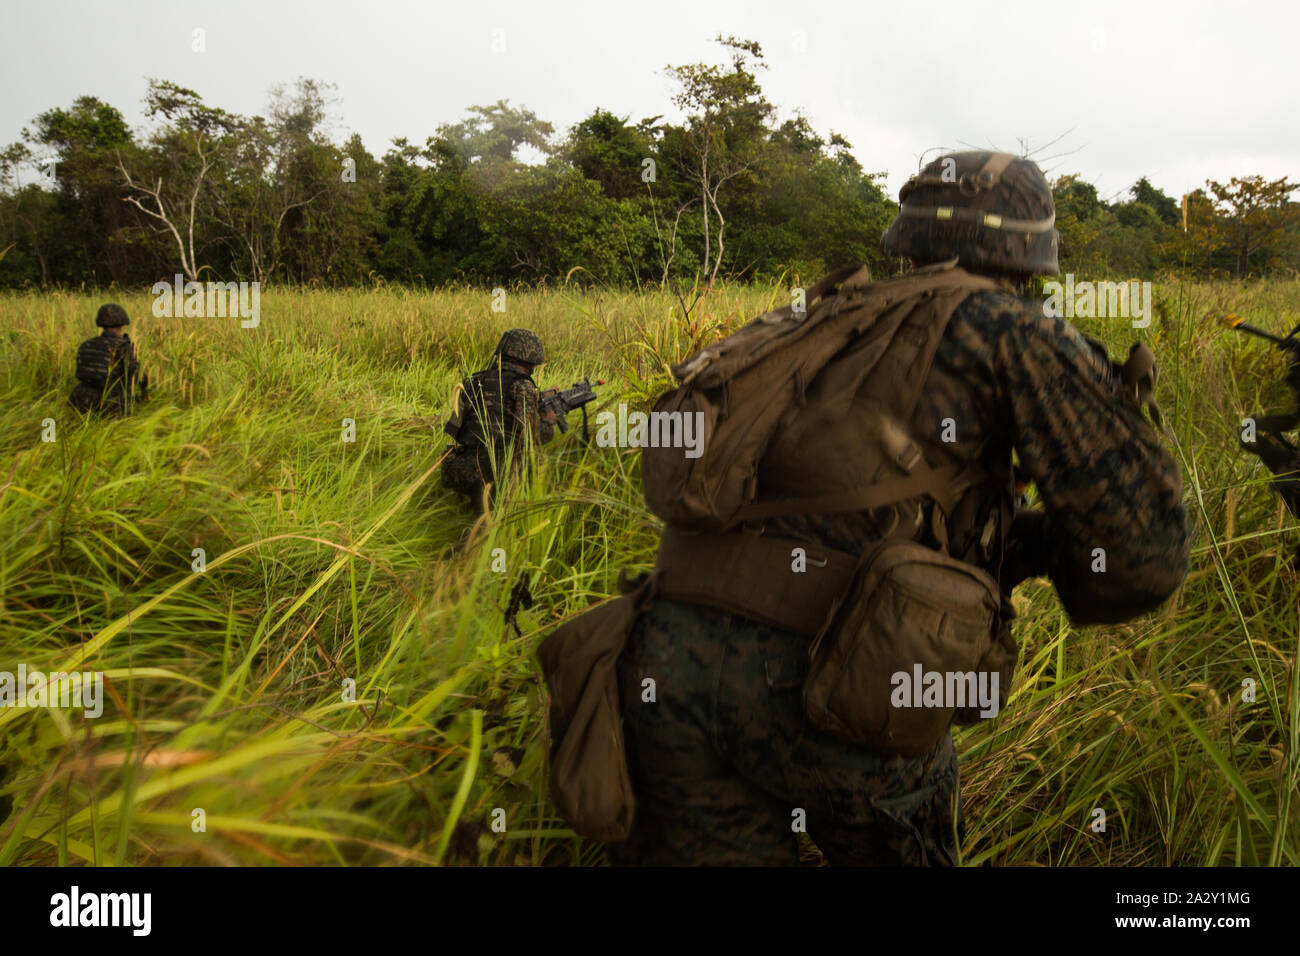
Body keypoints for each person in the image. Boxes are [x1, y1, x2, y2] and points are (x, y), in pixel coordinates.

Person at [606, 151, 1190, 866]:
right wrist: (1027, 556)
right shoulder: (1013, 330)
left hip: (663, 668)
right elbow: (1141, 557)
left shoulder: (816, 314)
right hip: (838, 685)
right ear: (1033, 252)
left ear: (906, 237)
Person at [442, 328, 557, 511]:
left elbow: (453, 429)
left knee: (479, 516)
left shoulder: (474, 382)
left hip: (462, 468)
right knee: (541, 466)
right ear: (531, 358)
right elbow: (532, 437)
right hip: (499, 472)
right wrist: (549, 419)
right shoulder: (522, 385)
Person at [68, 303, 146, 417]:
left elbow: (80, 374)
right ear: (121, 324)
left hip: (81, 400)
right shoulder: (122, 347)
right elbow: (136, 375)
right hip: (110, 404)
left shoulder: (86, 345)